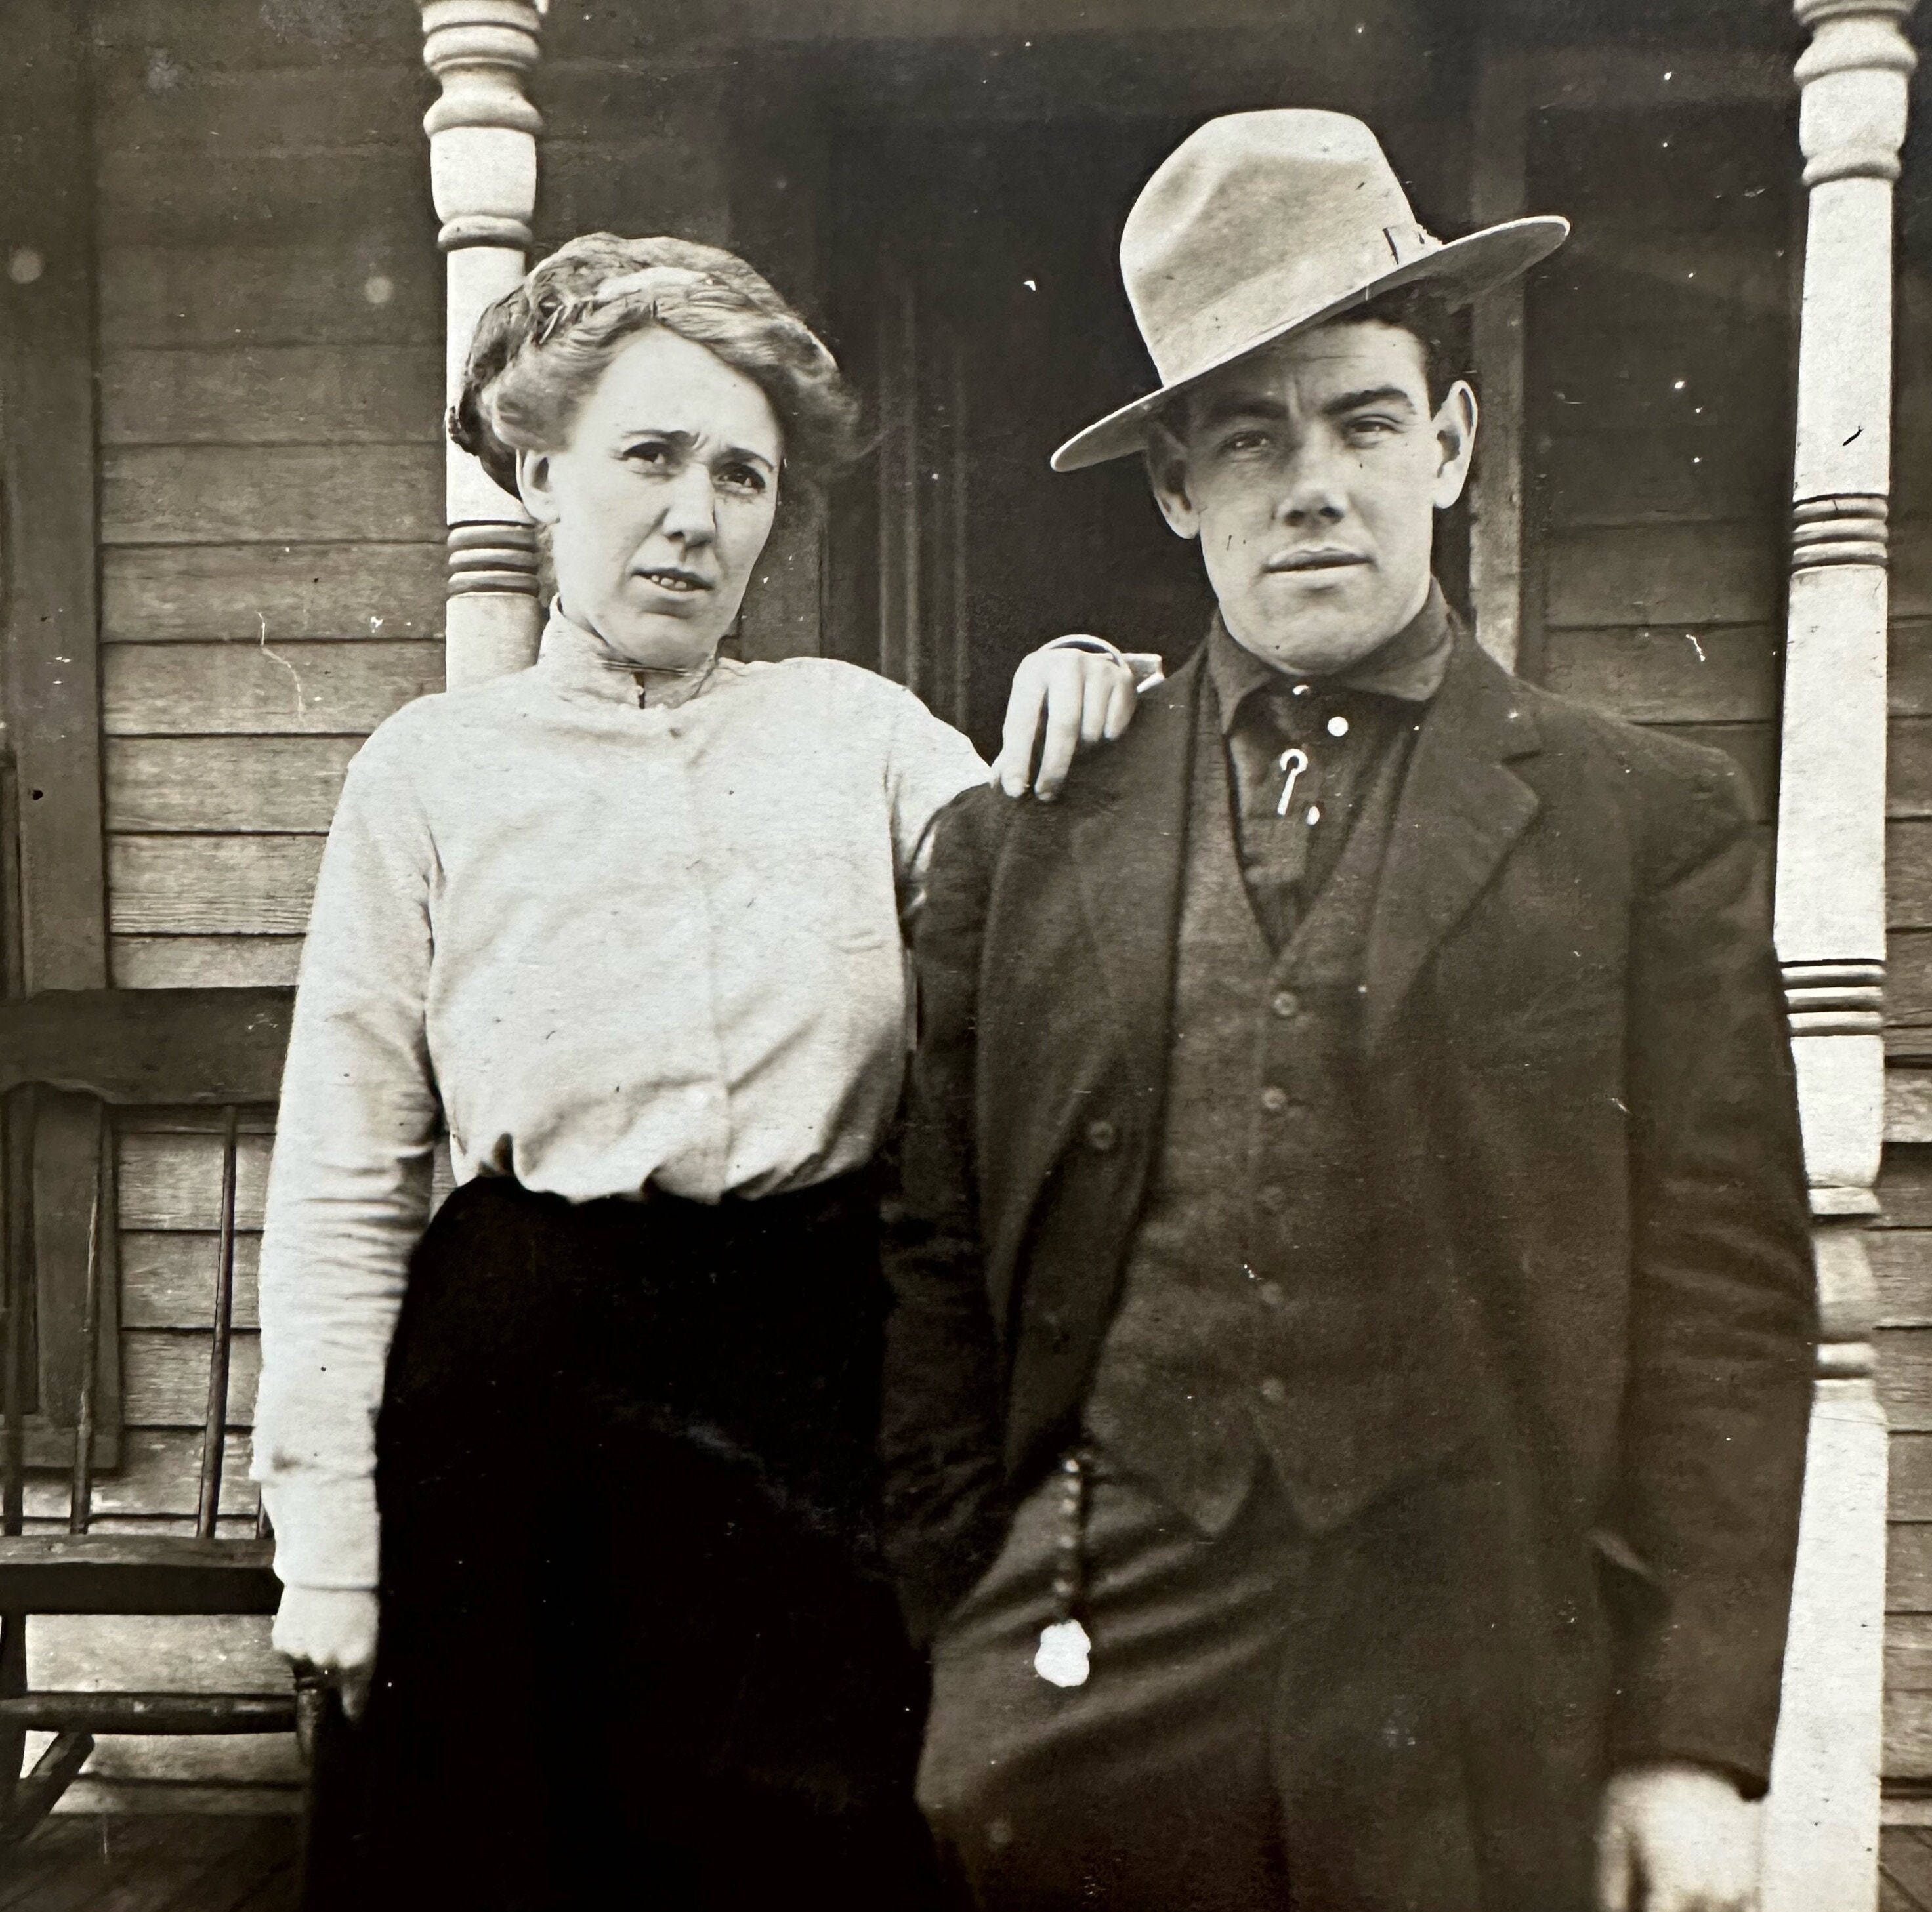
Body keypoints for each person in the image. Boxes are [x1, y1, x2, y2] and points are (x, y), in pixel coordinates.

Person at [882, 111, 1817, 1912]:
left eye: (1365, 420)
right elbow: (934, 1266)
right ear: (1175, 489)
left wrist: (1688, 1737)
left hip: (1474, 1677)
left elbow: (1727, 1297)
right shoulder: (1023, 836)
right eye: (1249, 437)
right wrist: (965, 1650)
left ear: (1451, 443)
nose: (1311, 482)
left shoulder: (1646, 825)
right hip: (1100, 1665)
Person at [251, 232, 1146, 1912]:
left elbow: (1049, 905)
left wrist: (1093, 697)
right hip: (515, 1409)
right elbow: (344, 1176)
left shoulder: (861, 734)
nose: (696, 513)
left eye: (741, 474)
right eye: (649, 455)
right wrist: (329, 1540)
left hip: (806, 1398)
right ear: (537, 468)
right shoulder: (430, 773)